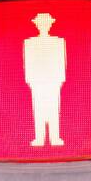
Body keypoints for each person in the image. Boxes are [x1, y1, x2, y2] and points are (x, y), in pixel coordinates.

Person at [23, 12, 66, 146]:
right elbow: (28, 61)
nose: (43, 26)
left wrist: (60, 79)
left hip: (53, 80)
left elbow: (62, 61)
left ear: (50, 24)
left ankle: (55, 138)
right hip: (37, 81)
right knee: (39, 109)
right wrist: (30, 80)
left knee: (54, 108)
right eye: (41, 23)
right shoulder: (29, 43)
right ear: (36, 25)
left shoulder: (59, 42)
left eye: (45, 23)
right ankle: (39, 138)